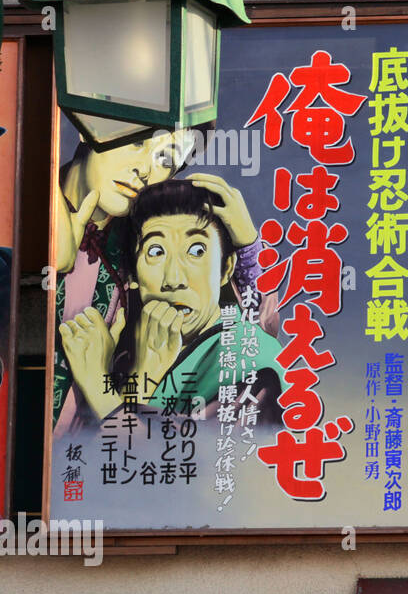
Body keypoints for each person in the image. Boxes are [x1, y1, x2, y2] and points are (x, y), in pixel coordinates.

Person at [52, 128, 270, 433]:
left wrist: (246, 243)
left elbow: (256, 331)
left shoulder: (140, 254)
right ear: (86, 123)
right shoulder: (28, 189)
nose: (144, 168)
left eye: (165, 158)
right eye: (137, 141)